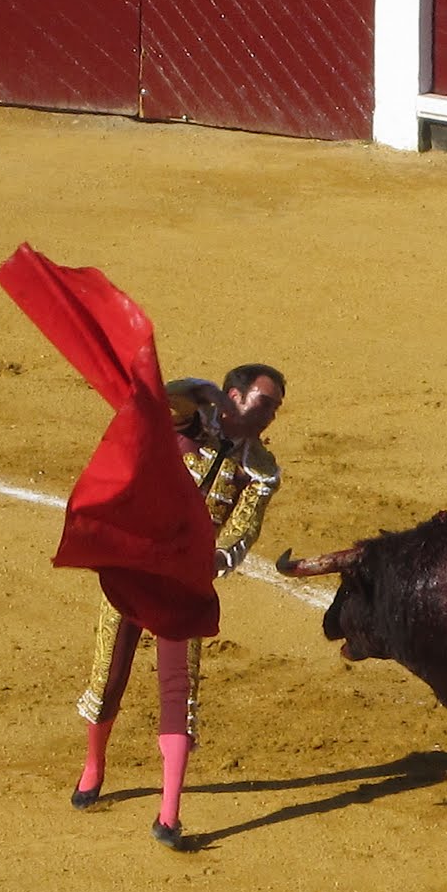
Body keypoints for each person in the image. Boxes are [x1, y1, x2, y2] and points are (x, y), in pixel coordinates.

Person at [70, 363, 287, 848]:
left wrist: (210, 560)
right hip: (134, 561)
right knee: (108, 674)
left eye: (274, 407)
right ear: (235, 395)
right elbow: (164, 398)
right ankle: (94, 765)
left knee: (178, 689)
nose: (272, 414)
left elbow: (244, 527)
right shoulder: (192, 422)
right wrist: (207, 395)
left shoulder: (264, 468)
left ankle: (169, 814)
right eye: (264, 402)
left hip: (183, 581)